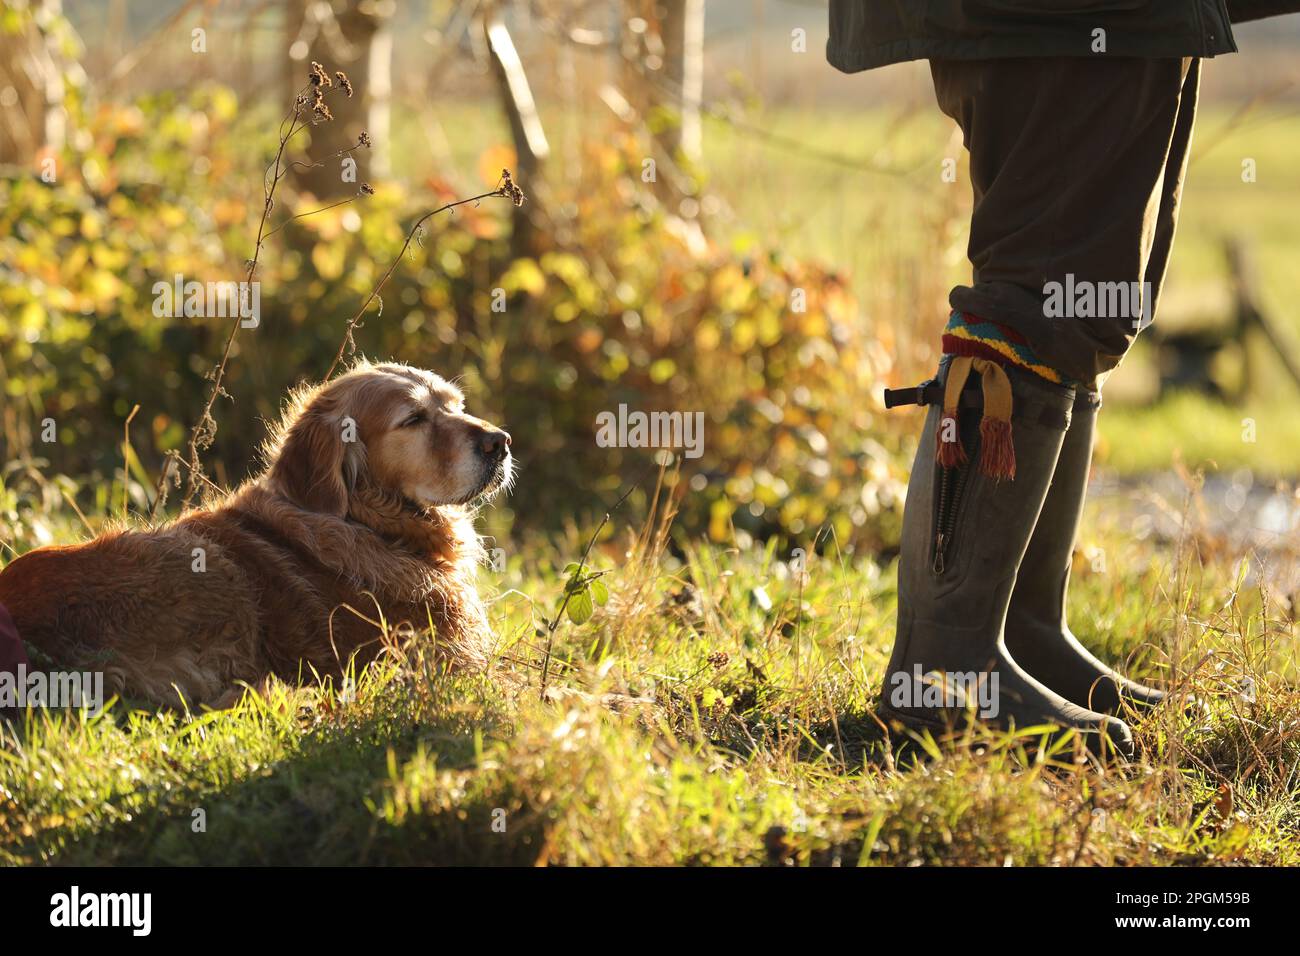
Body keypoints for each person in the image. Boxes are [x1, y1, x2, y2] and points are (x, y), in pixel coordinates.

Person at [828, 1, 1300, 756]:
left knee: (1084, 304)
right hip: (1061, 13)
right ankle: (945, 669)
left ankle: (1019, 632)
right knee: (1043, 296)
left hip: (1100, 15)